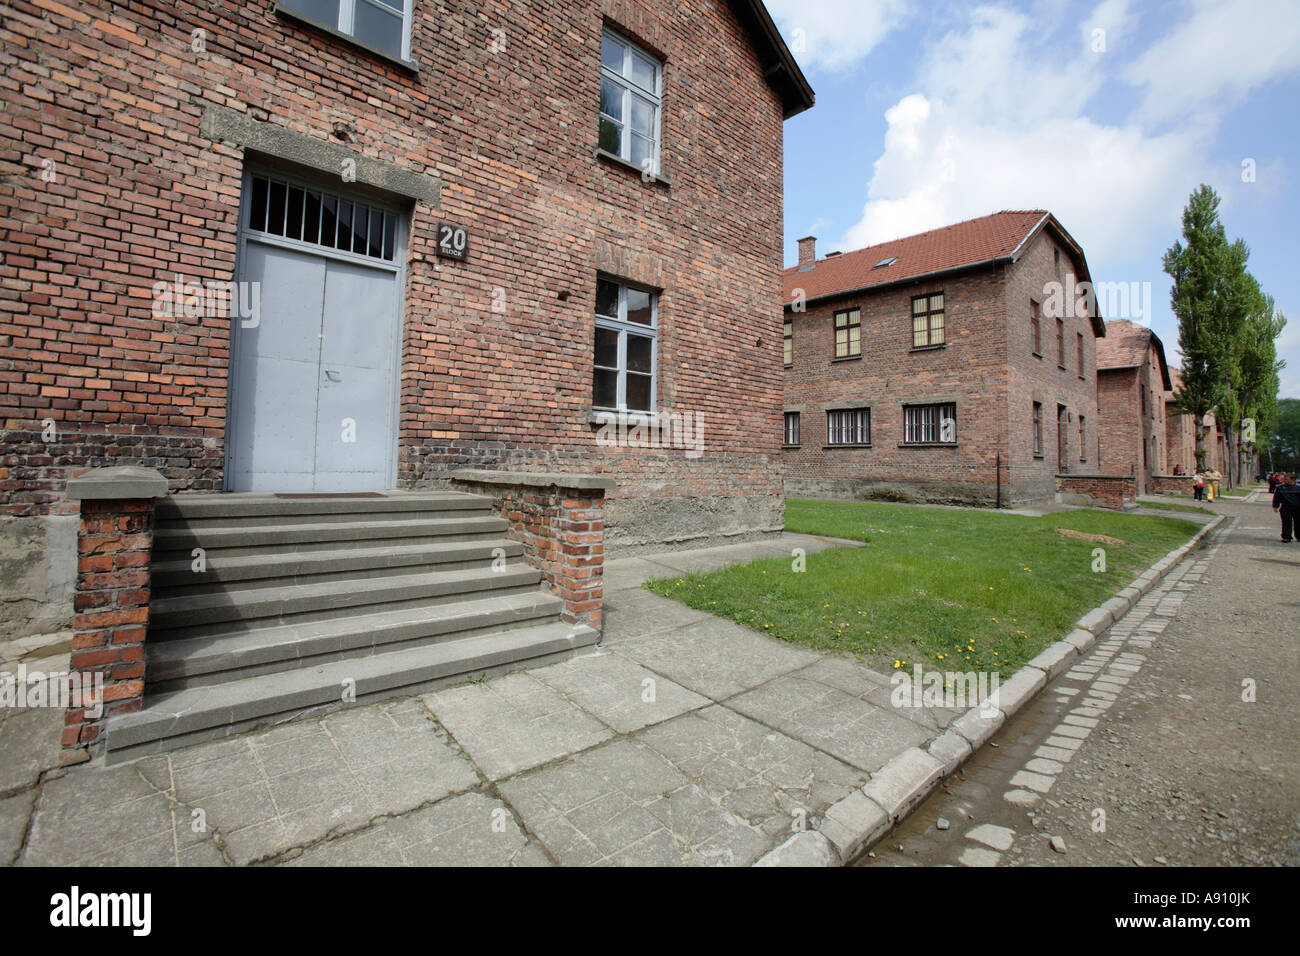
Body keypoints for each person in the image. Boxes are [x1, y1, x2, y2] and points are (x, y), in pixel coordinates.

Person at [1274, 473, 1299, 543]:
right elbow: (1276, 497)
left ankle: (1299, 536)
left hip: (1297, 508)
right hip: (1285, 508)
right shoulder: (1280, 487)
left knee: (1298, 523)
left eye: (1286, 479)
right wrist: (1275, 505)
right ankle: (1286, 537)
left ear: (1292, 479)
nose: (1284, 480)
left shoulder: (1298, 488)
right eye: (1284, 479)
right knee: (1286, 523)